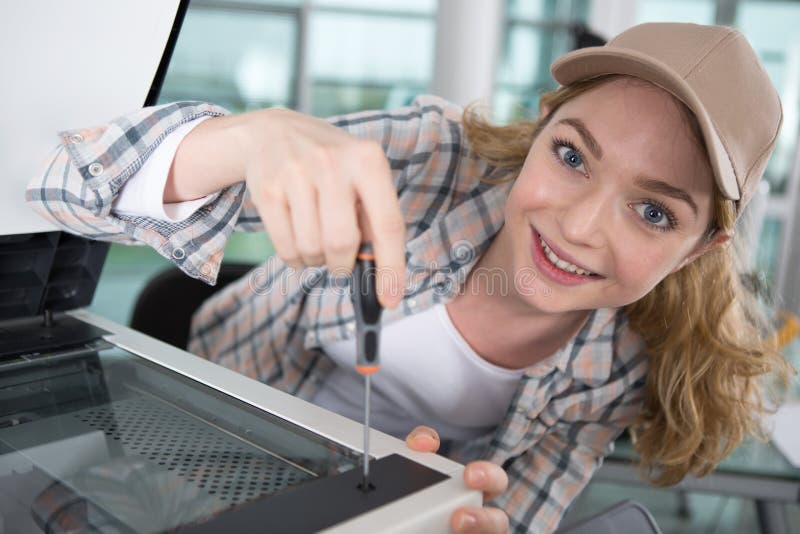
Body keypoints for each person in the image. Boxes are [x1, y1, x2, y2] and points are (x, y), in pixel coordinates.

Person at [27, 22, 792, 533]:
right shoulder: (429, 157)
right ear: (537, 133)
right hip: (199, 441)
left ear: (697, 249)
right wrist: (239, 141)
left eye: (653, 213)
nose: (580, 227)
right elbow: (63, 177)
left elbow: (517, 513)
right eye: (571, 155)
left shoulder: (618, 370)